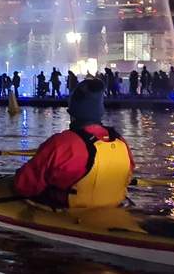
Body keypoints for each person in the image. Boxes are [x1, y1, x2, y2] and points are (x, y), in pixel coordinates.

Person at [9, 78, 134, 209]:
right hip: (114, 206)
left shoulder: (61, 143)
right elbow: (128, 175)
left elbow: (25, 184)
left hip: (69, 211)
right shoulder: (120, 141)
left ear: (73, 113)